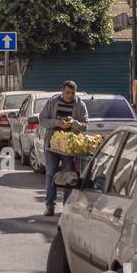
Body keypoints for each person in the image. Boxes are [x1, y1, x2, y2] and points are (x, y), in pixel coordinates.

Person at [37, 80, 89, 217]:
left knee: (68, 175)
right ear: (62, 91)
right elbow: (42, 120)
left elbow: (85, 125)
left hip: (69, 147)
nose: (69, 95)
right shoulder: (52, 102)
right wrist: (57, 123)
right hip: (52, 145)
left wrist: (73, 123)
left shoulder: (80, 104)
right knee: (51, 174)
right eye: (67, 92)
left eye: (72, 93)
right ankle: (49, 206)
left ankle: (66, 206)